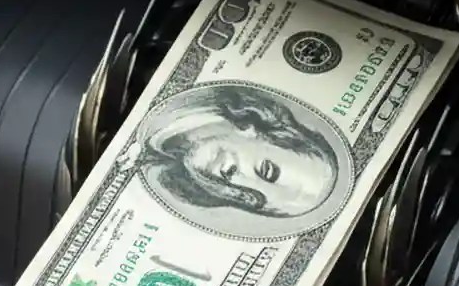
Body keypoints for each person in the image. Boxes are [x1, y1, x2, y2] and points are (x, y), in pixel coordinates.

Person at [141, 84, 340, 219]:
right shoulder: (185, 101)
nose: (235, 181)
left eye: (248, 197)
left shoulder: (159, 167)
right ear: (262, 130)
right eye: (266, 170)